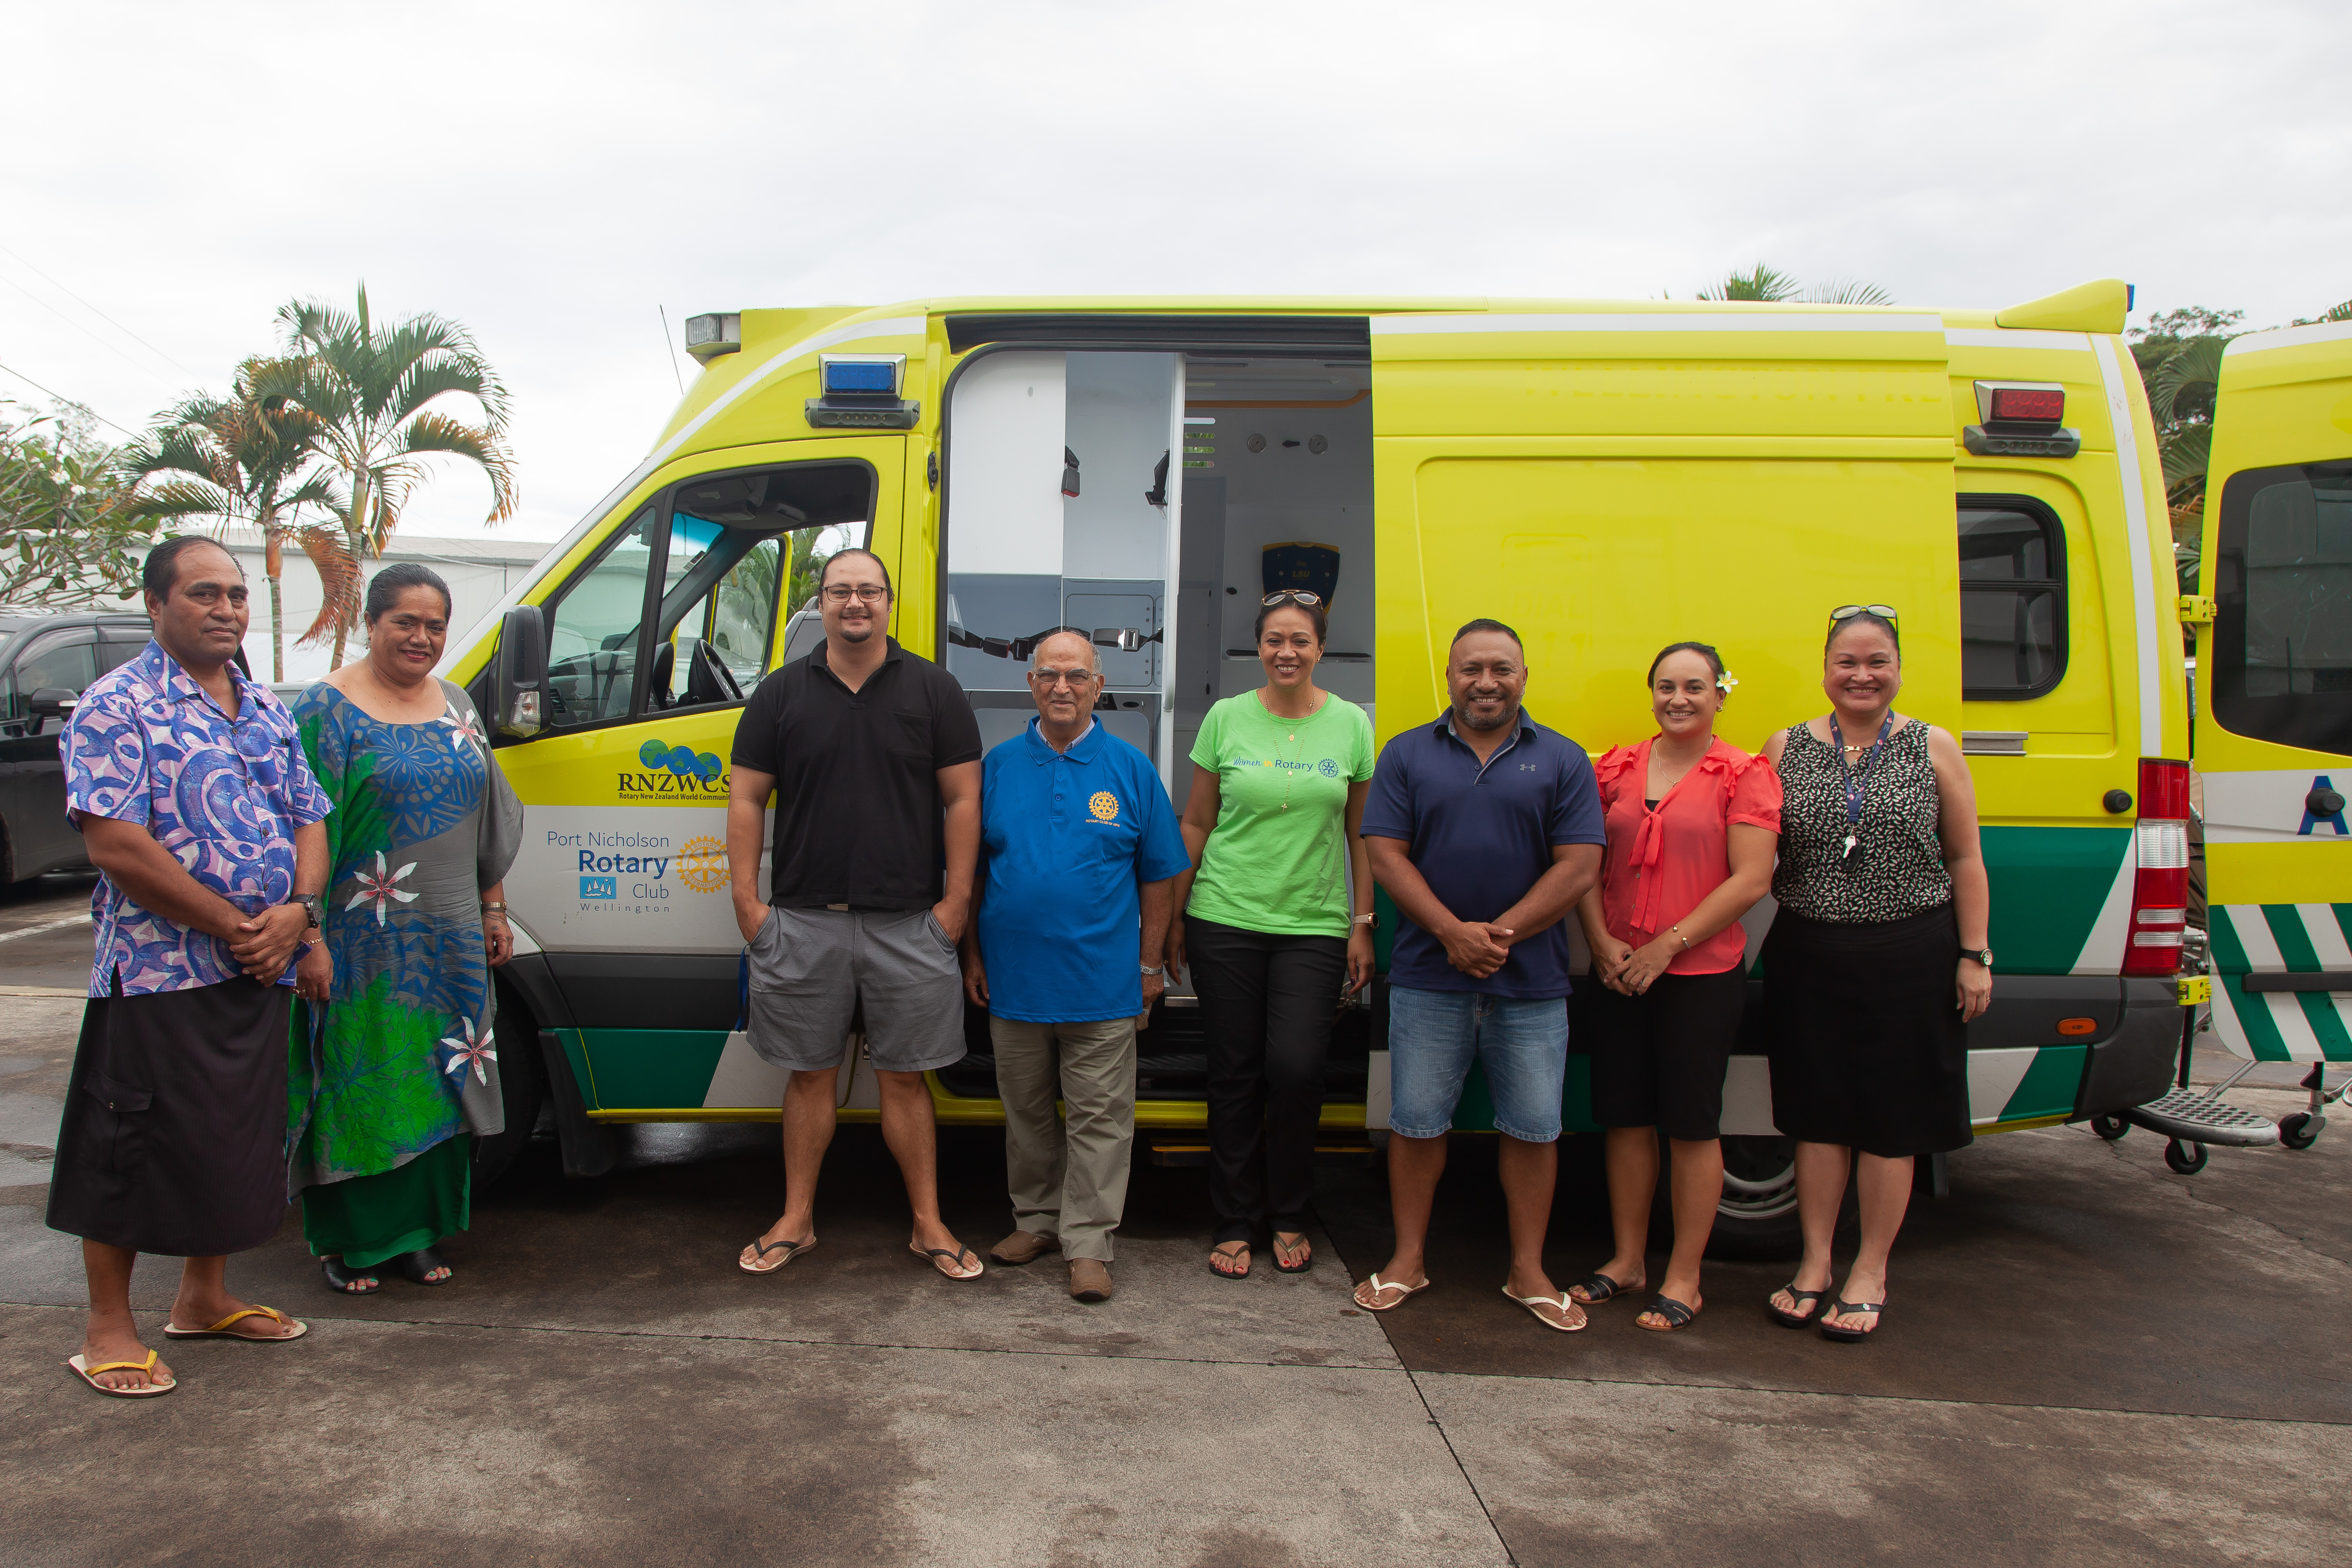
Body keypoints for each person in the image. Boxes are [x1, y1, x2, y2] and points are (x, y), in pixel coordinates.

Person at [48, 536, 328, 1396]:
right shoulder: (116, 705)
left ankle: (203, 1300)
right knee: (130, 1145)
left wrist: (300, 918)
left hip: (259, 968)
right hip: (158, 971)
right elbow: (117, 844)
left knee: (232, 1144)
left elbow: (309, 816)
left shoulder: (265, 708)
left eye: (237, 596)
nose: (226, 610)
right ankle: (106, 1329)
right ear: (156, 604)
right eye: (205, 594)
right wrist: (239, 923)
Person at [728, 548, 987, 1280]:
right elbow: (747, 800)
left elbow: (964, 801)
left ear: (888, 601)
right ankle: (797, 1219)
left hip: (910, 924)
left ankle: (928, 1224)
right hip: (803, 919)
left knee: (905, 1081)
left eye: (868, 590)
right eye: (840, 591)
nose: (854, 603)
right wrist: (748, 904)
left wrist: (956, 904)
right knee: (810, 1076)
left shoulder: (935, 691)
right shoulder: (780, 694)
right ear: (822, 603)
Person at [1352, 619, 1605, 1331]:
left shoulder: (1561, 759)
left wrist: (1500, 935)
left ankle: (1527, 1271)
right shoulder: (1406, 755)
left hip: (1531, 985)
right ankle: (1408, 1260)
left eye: (1501, 669)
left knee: (1533, 1131)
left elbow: (1580, 864)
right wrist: (1450, 933)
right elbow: (1385, 855)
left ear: (1524, 676)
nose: (1485, 682)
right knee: (1416, 1123)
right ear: (1450, 677)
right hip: (1431, 978)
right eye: (1471, 669)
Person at [287, 564, 523, 1295]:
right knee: (363, 1075)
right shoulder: (326, 708)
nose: (421, 637)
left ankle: (419, 1235)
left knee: (443, 1072)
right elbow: (305, 824)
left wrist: (494, 905)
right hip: (360, 937)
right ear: (372, 623)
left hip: (448, 935)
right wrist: (311, 933)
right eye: (405, 622)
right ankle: (351, 1242)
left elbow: (486, 811)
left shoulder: (456, 704)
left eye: (434, 625)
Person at [1761, 607, 1991, 1342]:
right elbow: (1751, 855)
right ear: (1824, 669)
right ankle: (1816, 1263)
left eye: (1877, 662)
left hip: (1910, 953)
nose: (1861, 675)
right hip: (1809, 950)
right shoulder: (1786, 747)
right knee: (1818, 1115)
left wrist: (1974, 953)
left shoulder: (1934, 747)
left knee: (1893, 1122)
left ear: (1897, 669)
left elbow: (1965, 859)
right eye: (1847, 662)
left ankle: (1871, 1270)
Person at [961, 631, 1191, 1302]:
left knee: (1100, 1119)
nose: (1062, 687)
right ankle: (1035, 1223)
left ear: (1098, 685)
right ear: (1032, 685)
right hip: (1014, 980)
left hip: (1102, 983)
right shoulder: (997, 767)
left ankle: (1089, 1243)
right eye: (1049, 676)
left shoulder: (1130, 768)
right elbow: (974, 874)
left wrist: (1151, 968)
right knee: (1026, 1114)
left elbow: (1159, 877)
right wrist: (972, 954)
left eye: (1076, 676)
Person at [1569, 642, 1780, 1332]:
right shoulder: (1617, 767)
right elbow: (1585, 864)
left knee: (1691, 1124)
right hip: (1619, 971)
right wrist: (1602, 943)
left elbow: (1751, 879)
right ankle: (1628, 1260)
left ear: (1721, 694)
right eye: (1666, 686)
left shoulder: (1743, 773)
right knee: (1625, 1117)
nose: (1679, 698)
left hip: (1699, 974)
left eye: (1695, 686)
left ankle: (1685, 1276)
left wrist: (1667, 946)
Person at [1167, 590, 1376, 1279]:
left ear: (1321, 648)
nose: (1286, 652)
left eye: (1300, 640)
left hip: (1312, 926)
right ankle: (1234, 1220)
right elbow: (1196, 823)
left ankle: (1289, 1211)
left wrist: (1362, 924)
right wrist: (1174, 913)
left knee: (1295, 1070)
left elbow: (1361, 837)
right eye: (1273, 640)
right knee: (1233, 1074)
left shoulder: (1351, 725)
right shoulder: (1227, 718)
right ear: (1258, 648)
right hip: (1224, 916)